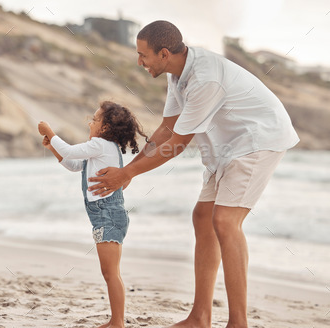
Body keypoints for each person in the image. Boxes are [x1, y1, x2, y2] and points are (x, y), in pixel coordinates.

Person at [87, 21, 300, 328]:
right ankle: (200, 317)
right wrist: (128, 171)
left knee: (226, 221)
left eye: (143, 55)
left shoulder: (205, 79)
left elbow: (176, 145)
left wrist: (127, 173)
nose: (139, 62)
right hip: (228, 145)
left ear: (163, 53)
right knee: (203, 216)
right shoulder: (178, 74)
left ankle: (238, 323)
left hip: (257, 140)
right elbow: (166, 128)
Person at [38, 101, 148, 328]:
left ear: (106, 128)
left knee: (111, 273)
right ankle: (115, 320)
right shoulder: (102, 149)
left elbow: (68, 150)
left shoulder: (100, 145)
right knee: (109, 272)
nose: (90, 121)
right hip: (103, 216)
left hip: (108, 215)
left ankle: (118, 322)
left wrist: (50, 132)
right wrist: (52, 148)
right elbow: (73, 164)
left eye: (95, 119)